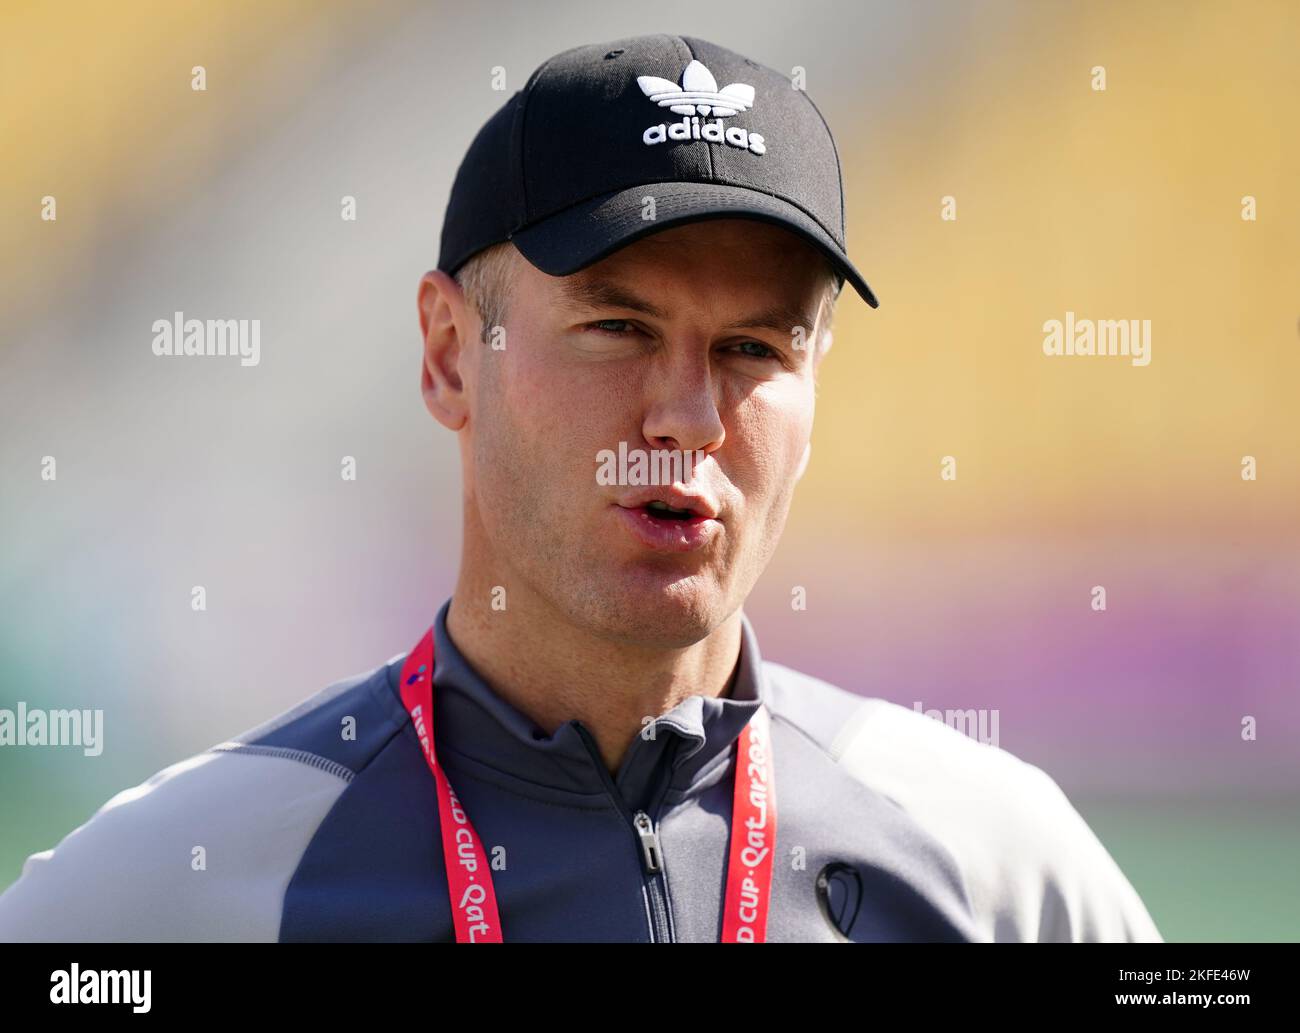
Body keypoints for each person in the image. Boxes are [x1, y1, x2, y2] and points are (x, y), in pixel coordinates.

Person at [0, 33, 1162, 943]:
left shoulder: (997, 866)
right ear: (451, 354)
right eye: (617, 327)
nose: (688, 417)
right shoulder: (179, 887)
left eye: (756, 350)